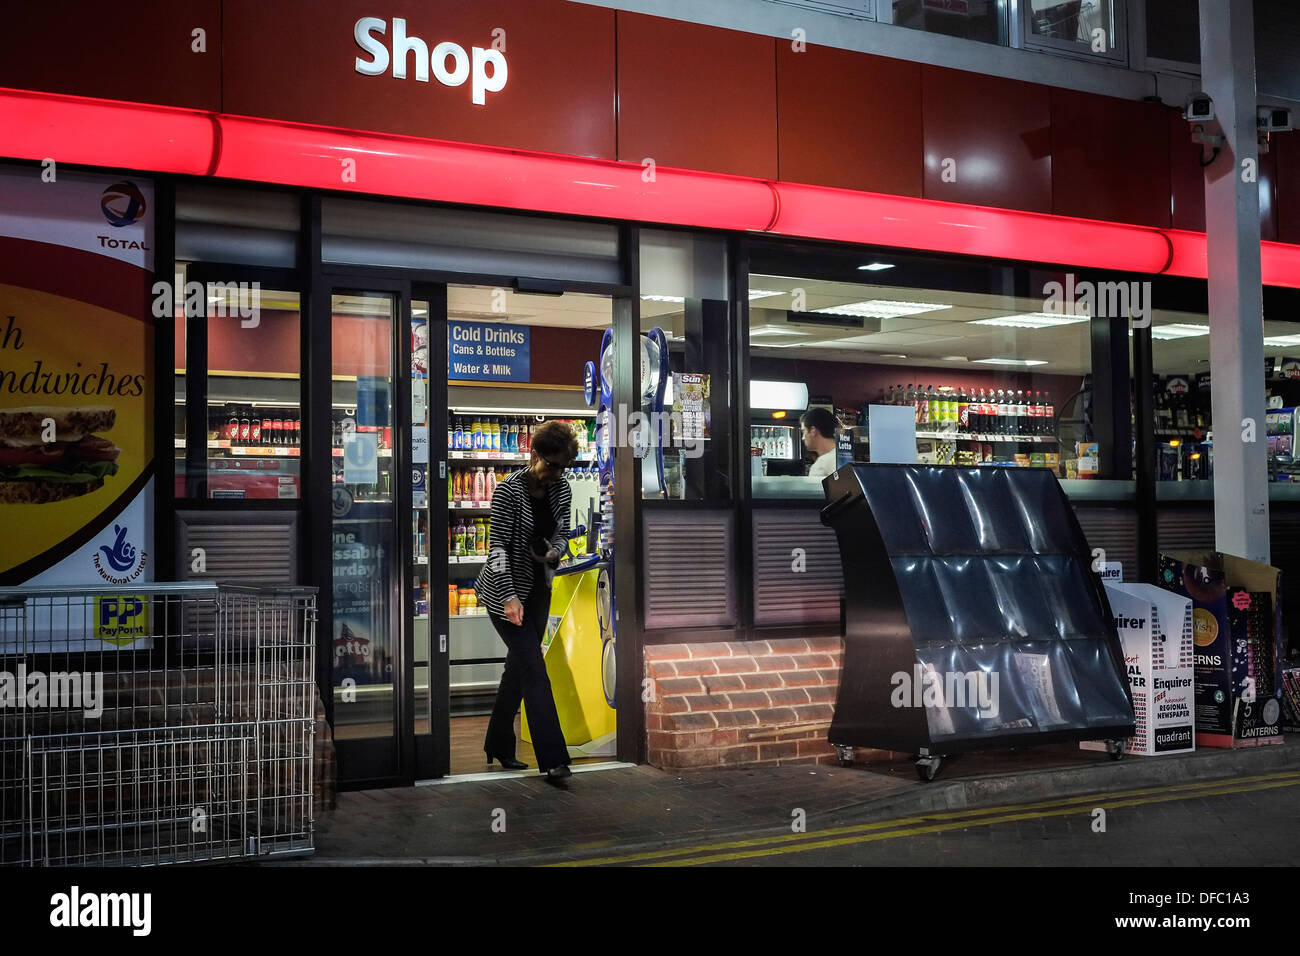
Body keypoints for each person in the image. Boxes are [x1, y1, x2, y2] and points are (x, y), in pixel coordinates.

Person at [476, 419, 578, 783]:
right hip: (504, 593)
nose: (556, 473)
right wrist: (507, 597)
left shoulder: (562, 489)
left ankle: (498, 744)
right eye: (552, 465)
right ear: (534, 454)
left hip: (538, 591)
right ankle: (553, 760)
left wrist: (553, 553)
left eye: (563, 466)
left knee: (518, 668)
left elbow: (563, 533)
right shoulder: (508, 491)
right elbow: (497, 549)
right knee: (534, 669)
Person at [800, 407, 839, 480]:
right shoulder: (846, 457)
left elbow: (812, 491)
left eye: (803, 431)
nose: (803, 438)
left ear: (813, 431)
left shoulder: (821, 466)